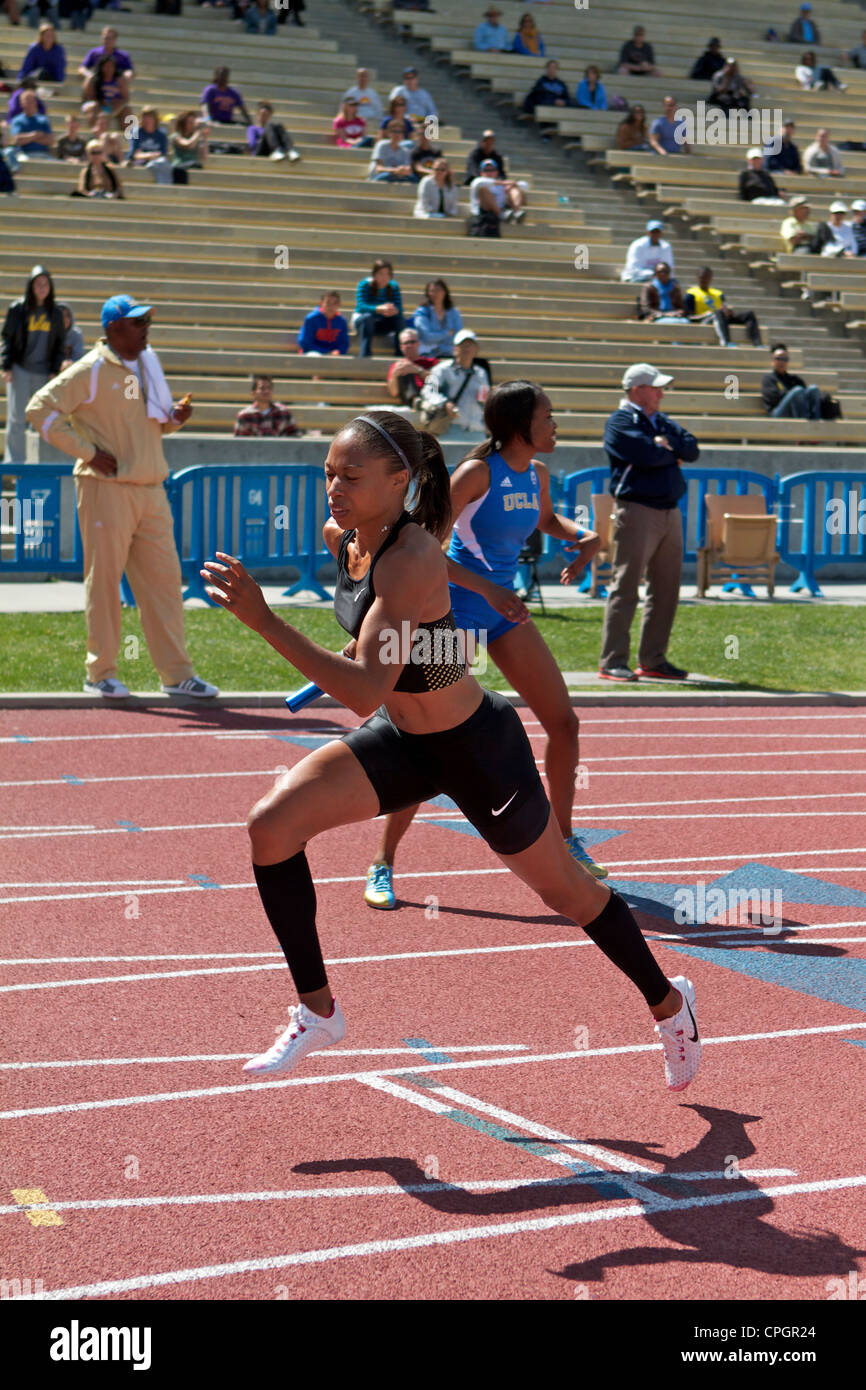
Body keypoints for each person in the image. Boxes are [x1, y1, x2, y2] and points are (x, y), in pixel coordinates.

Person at [198, 408, 701, 1093]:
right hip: (407, 741)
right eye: (328, 474)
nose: (334, 488)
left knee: (570, 894)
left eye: (350, 475)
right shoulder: (343, 537)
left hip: (475, 749)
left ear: (399, 479)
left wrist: (265, 620)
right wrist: (378, 641)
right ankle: (319, 1012)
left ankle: (669, 1004)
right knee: (271, 827)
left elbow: (362, 692)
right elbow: (394, 649)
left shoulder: (410, 557)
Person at [360, 382, 607, 912]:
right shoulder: (476, 474)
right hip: (454, 613)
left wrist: (582, 537)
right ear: (521, 426)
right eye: (548, 416)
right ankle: (383, 861)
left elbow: (543, 520)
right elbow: (423, 549)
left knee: (564, 723)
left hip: (503, 614)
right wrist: (488, 587)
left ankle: (565, 842)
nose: (556, 424)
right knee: (430, 742)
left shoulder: (536, 474)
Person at [26, 295, 218, 700]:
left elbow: (152, 425)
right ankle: (101, 673)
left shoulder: (148, 363)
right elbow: (39, 408)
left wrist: (174, 421)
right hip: (105, 489)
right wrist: (89, 453)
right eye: (137, 322)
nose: (146, 326)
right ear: (114, 329)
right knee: (105, 585)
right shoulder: (92, 368)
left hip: (150, 489)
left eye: (146, 319)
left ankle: (176, 675)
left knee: (165, 586)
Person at [599, 363, 698, 683]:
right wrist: (665, 449)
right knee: (626, 586)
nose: (661, 393)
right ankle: (612, 660)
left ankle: (653, 659)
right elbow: (645, 455)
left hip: (670, 511)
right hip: (637, 510)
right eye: (655, 387)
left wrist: (663, 446)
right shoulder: (620, 421)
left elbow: (691, 448)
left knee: (667, 590)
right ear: (636, 389)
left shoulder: (662, 421)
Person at [2, 265, 65, 463]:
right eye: (38, 284)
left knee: (44, 420)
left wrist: (55, 370)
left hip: (44, 373)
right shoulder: (18, 309)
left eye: (45, 284)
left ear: (50, 287)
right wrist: (6, 366)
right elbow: (7, 338)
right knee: (16, 419)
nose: (42, 288)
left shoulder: (55, 313)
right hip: (21, 369)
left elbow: (59, 344)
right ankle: (15, 464)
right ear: (31, 286)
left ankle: (42, 462)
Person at [417, 329, 489, 439]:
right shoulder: (441, 369)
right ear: (455, 349)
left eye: (470, 345)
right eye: (462, 345)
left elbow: (484, 397)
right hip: (451, 427)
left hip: (476, 428)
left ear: (476, 349)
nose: (466, 348)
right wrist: (444, 403)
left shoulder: (481, 372)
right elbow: (429, 391)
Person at [683, 266, 762, 347]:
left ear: (710, 278)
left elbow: (723, 306)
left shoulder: (718, 293)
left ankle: (757, 344)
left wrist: (727, 311)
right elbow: (690, 316)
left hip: (720, 318)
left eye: (706, 277)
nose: (704, 280)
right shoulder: (691, 293)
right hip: (704, 319)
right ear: (697, 277)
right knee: (718, 313)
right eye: (702, 277)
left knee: (749, 314)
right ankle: (726, 342)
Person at [353, 259, 404, 357]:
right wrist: (378, 309)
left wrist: (393, 310)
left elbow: (399, 308)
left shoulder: (394, 286)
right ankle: (365, 353)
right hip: (363, 322)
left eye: (387, 274)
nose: (384, 277)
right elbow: (361, 306)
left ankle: (400, 354)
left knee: (399, 319)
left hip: (382, 322)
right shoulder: (364, 284)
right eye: (381, 273)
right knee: (368, 317)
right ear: (374, 274)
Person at [761, 343, 821, 418]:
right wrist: (792, 394)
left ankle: (815, 420)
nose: (781, 362)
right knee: (797, 391)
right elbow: (774, 398)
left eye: (784, 359)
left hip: (795, 411)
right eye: (778, 359)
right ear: (773, 360)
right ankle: (802, 422)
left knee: (813, 389)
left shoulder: (793, 379)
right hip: (777, 413)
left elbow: (805, 395)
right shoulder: (768, 379)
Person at [234, 373, 301, 436]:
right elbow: (240, 444)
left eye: (269, 388)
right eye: (262, 388)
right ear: (253, 393)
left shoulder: (284, 412)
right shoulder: (245, 416)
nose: (267, 391)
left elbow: (295, 437)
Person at [386, 327, 437, 406]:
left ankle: (420, 402)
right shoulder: (397, 366)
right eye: (406, 343)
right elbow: (394, 392)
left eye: (412, 342)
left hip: (429, 397)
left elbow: (437, 382)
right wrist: (394, 376)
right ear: (401, 347)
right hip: (410, 401)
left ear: (418, 343)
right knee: (404, 368)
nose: (409, 345)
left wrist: (419, 370)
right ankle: (415, 401)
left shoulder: (431, 362)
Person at [412, 278, 463, 357]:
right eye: (432, 291)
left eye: (439, 290)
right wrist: (447, 333)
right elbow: (427, 338)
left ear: (445, 292)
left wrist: (436, 336)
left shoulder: (454, 312)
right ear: (428, 293)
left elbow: (458, 336)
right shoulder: (422, 312)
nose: (436, 294)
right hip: (427, 354)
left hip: (449, 353)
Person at [81, 55, 131, 130]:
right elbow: (88, 97)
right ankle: (96, 133)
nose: (109, 69)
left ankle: (130, 138)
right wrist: (100, 102)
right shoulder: (93, 79)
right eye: (106, 66)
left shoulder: (120, 80)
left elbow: (125, 98)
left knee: (127, 111)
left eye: (111, 66)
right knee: (94, 108)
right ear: (101, 67)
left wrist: (116, 104)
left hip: (114, 108)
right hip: (96, 106)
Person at [127, 106, 171, 184]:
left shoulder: (161, 134)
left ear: (155, 119)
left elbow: (163, 154)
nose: (147, 120)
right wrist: (150, 155)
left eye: (150, 117)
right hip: (140, 162)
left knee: (163, 163)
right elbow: (134, 154)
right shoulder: (136, 132)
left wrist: (145, 154)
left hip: (157, 162)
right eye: (145, 117)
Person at [621, 219, 673, 283]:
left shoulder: (666, 247)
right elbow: (633, 268)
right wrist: (652, 274)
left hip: (657, 279)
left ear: (661, 233)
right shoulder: (638, 245)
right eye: (653, 232)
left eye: (657, 232)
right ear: (648, 232)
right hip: (636, 278)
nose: (655, 234)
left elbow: (668, 267)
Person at [8, 89, 52, 156]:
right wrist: (35, 135)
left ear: (35, 102)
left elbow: (50, 140)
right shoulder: (17, 120)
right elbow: (17, 140)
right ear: (21, 103)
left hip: (44, 155)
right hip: (23, 154)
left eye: (31, 100)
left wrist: (27, 138)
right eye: (26, 100)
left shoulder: (43, 119)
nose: (29, 103)